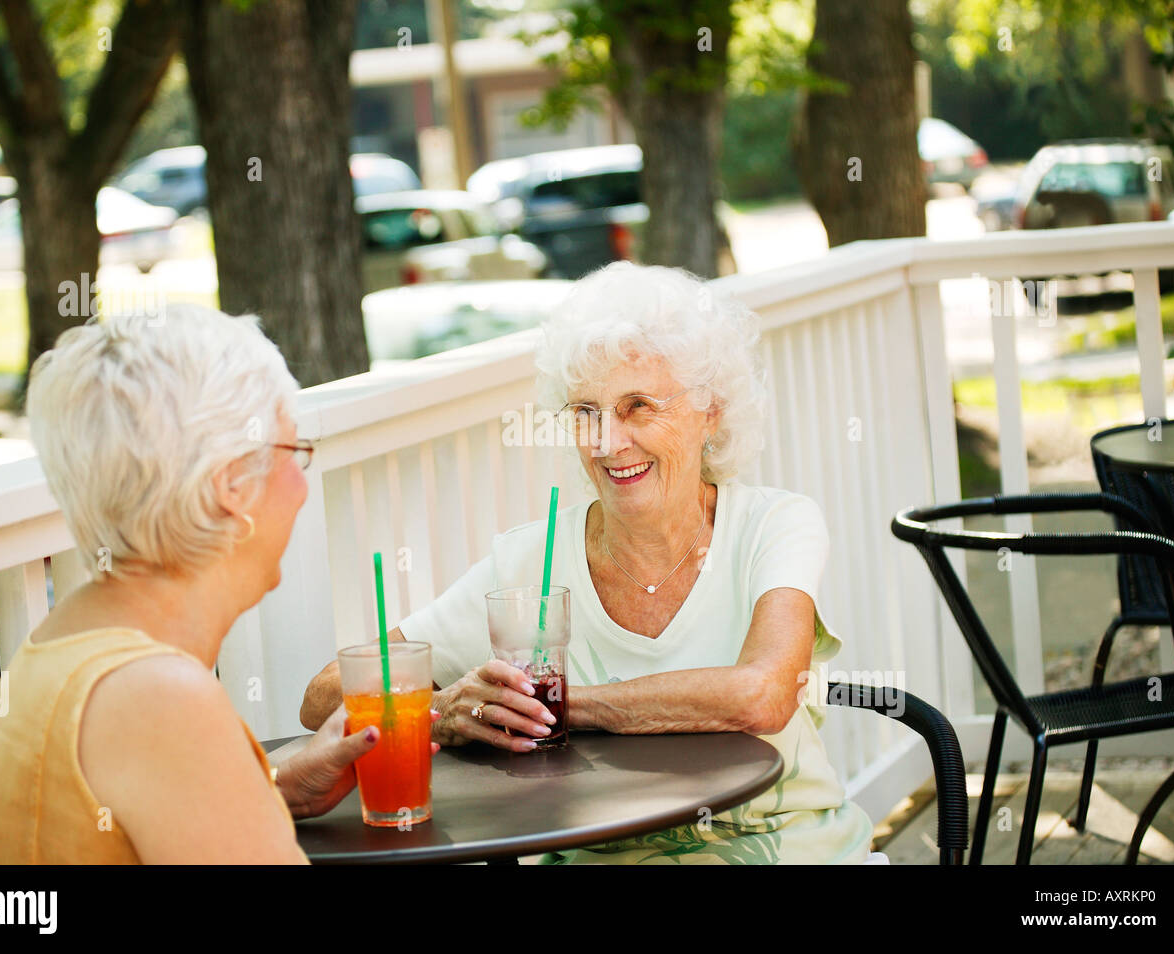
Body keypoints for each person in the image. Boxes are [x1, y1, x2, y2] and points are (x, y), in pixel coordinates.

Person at [299, 262, 874, 864]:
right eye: (586, 413)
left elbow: (760, 695)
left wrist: (555, 707)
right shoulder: (530, 560)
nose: (606, 442)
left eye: (638, 407)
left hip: (789, 848)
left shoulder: (773, 524)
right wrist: (446, 712)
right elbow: (324, 697)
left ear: (712, 411)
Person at [0, 304, 436, 864]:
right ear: (230, 487)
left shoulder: (70, 641)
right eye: (294, 452)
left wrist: (271, 787)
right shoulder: (156, 696)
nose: (302, 486)